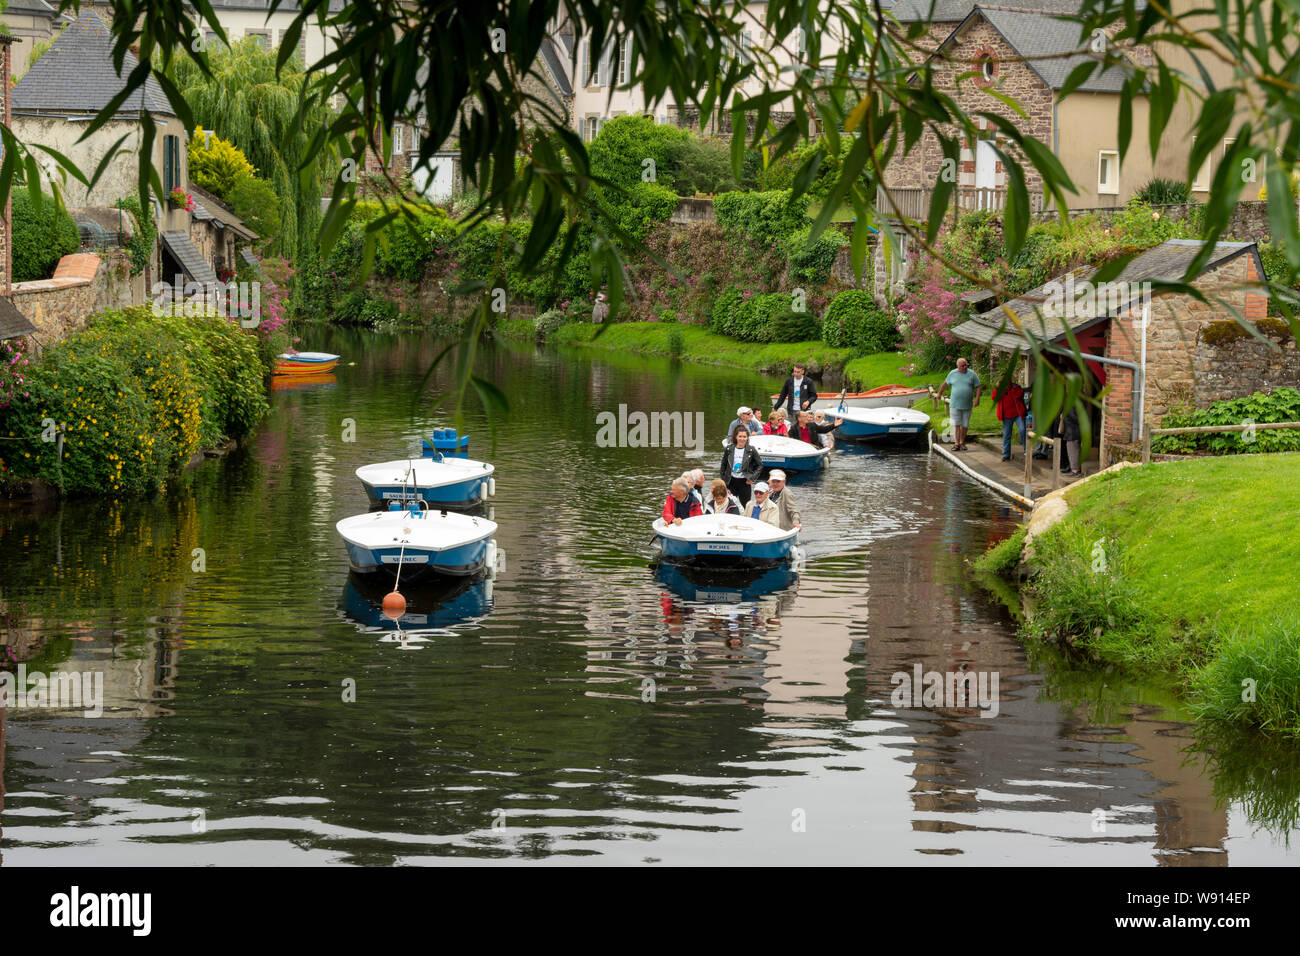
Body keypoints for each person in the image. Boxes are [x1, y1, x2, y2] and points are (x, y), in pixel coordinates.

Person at [936, 357, 982, 451]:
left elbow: (978, 386)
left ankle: (962, 443)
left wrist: (977, 399)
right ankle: (956, 444)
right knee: (956, 424)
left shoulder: (972, 374)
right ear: (958, 366)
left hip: (967, 404)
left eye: (966, 365)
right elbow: (945, 384)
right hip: (955, 404)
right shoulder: (952, 373)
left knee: (965, 424)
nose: (965, 367)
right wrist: (939, 393)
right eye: (963, 365)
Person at [721, 425, 764, 501]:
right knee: (729, 503)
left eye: (744, 437)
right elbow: (723, 465)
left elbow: (760, 465)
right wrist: (724, 480)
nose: (742, 439)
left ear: (747, 438)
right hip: (731, 481)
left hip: (745, 482)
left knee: (746, 505)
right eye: (740, 436)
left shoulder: (751, 450)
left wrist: (752, 478)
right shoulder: (729, 449)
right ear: (736, 437)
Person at [992, 378, 1028, 461]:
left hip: (1018, 414)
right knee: (1007, 435)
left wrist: (1010, 389)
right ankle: (1006, 455)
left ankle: (1026, 450)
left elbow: (1019, 395)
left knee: (1022, 430)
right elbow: (994, 398)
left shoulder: (1016, 387)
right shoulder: (999, 389)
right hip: (1006, 416)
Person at [1062, 407, 1083, 478]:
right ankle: (1074, 469)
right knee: (1073, 452)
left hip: (1072, 433)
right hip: (1072, 432)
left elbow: (1075, 418)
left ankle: (1075, 470)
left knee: (1073, 452)